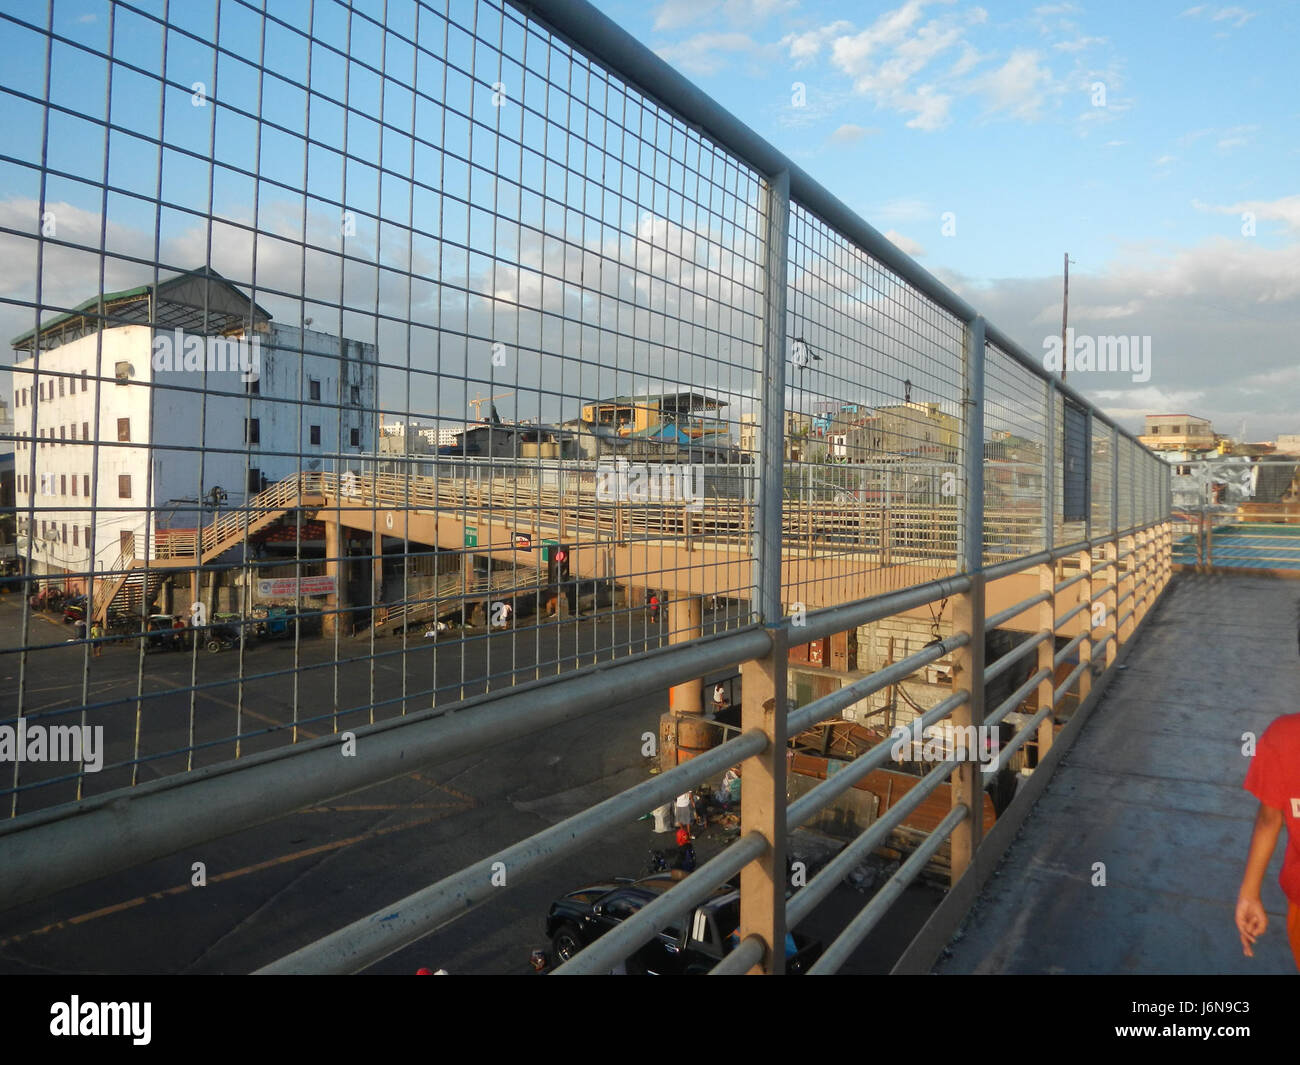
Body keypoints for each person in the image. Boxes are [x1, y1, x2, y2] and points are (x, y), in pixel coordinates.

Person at [1237, 710, 1300, 970]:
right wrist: (1249, 892)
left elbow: (1269, 820)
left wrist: (1250, 893)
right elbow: (1269, 820)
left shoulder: (1285, 736)